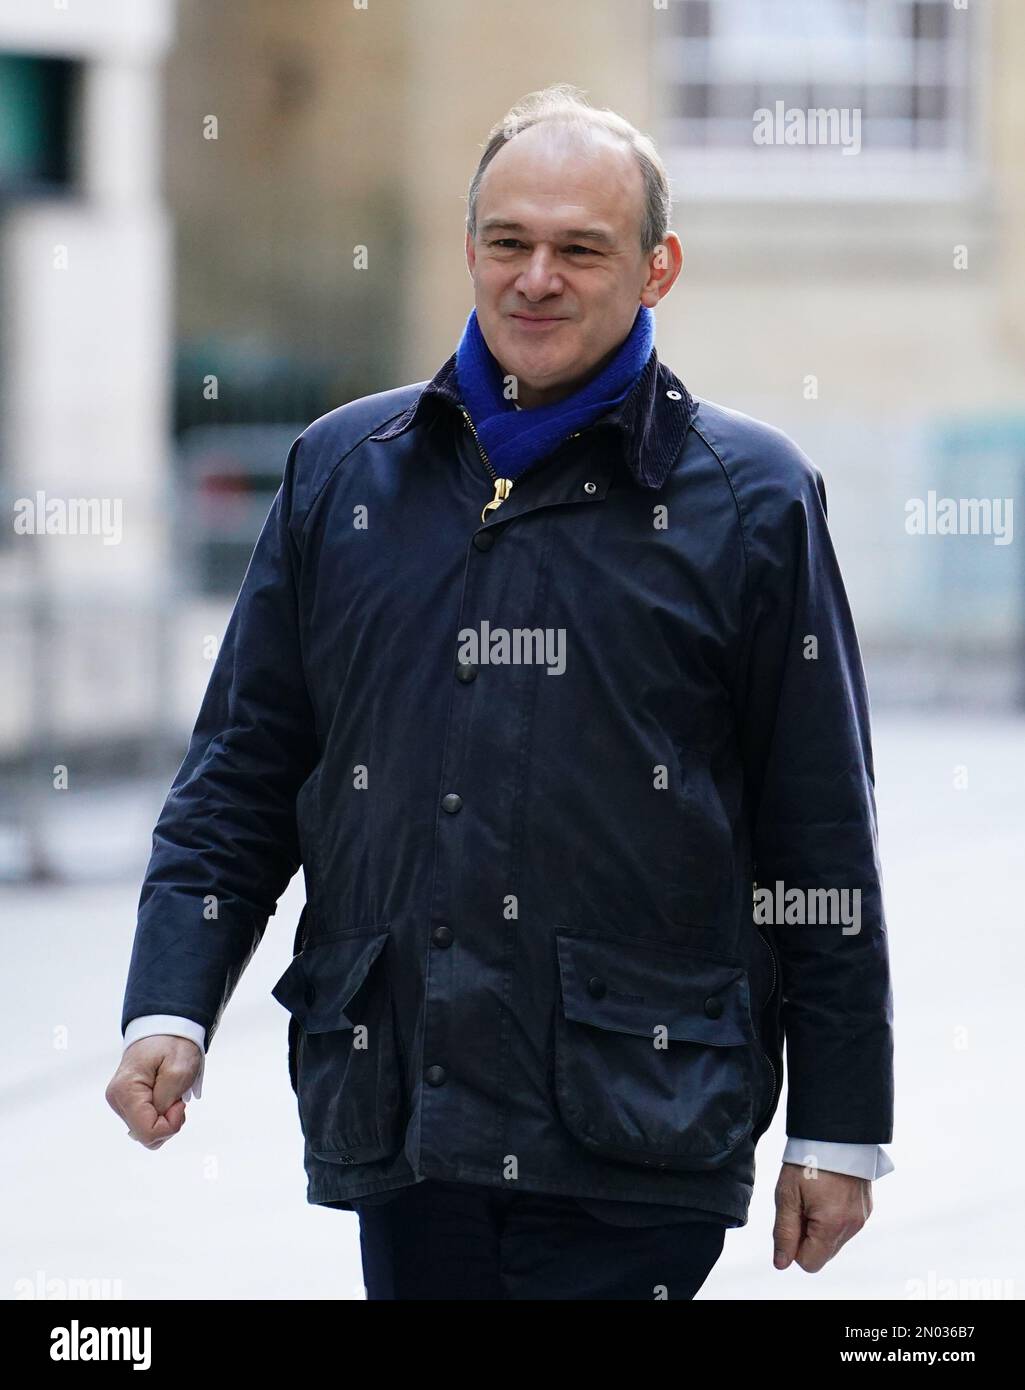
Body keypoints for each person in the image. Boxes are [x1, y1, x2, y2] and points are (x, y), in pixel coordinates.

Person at [106, 84, 894, 1301]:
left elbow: (818, 828)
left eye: (580, 249)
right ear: (467, 247)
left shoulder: (750, 499)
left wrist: (838, 1125)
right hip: (404, 1119)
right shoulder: (342, 474)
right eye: (508, 242)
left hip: (639, 1120)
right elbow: (244, 769)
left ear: (656, 268)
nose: (535, 278)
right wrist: (170, 1001)